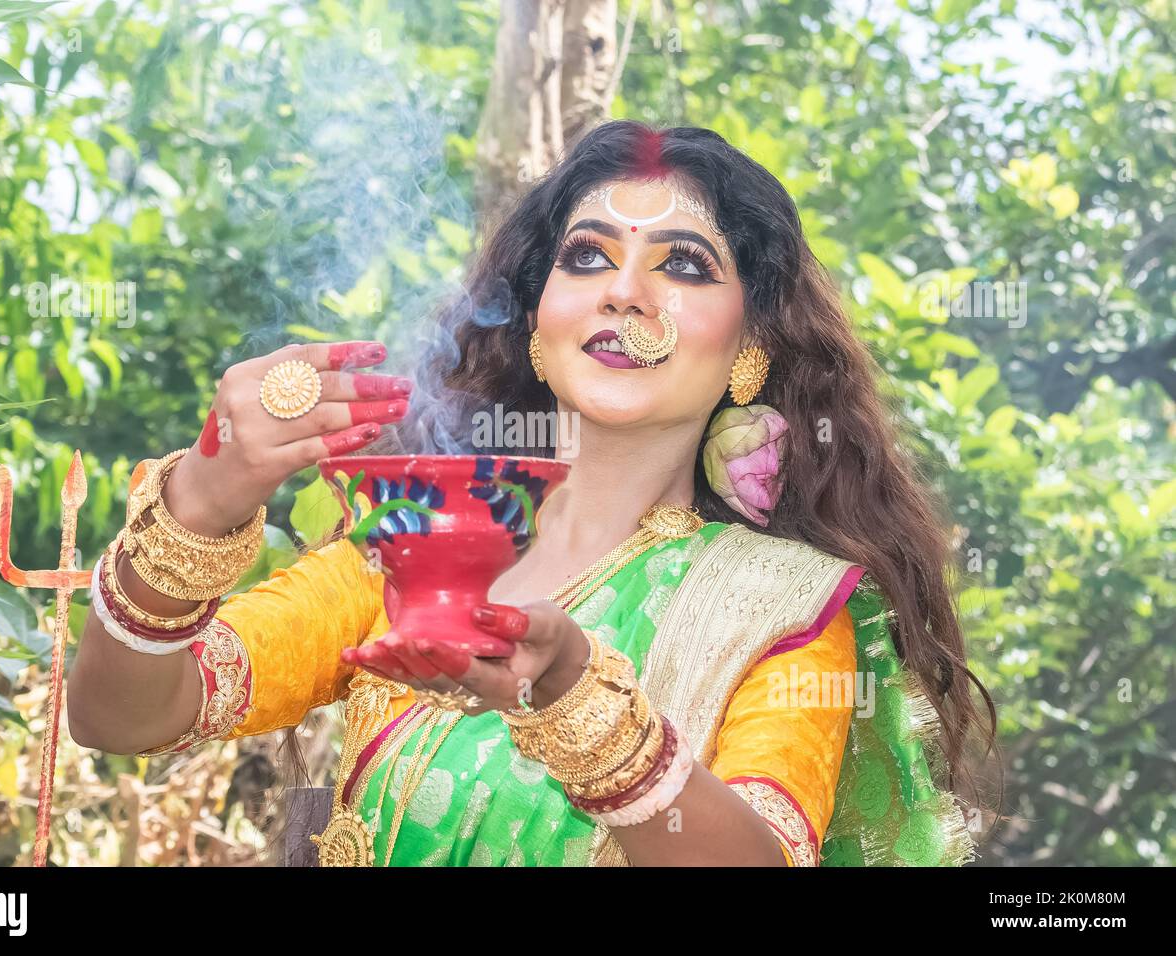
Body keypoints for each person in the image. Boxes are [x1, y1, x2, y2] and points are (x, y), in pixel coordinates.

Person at [68, 121, 993, 866]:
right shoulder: (419, 546)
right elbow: (123, 715)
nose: (625, 293)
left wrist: (575, 699)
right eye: (588, 257)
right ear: (540, 323)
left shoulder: (782, 608)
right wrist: (202, 503)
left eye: (683, 265)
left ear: (751, 348)